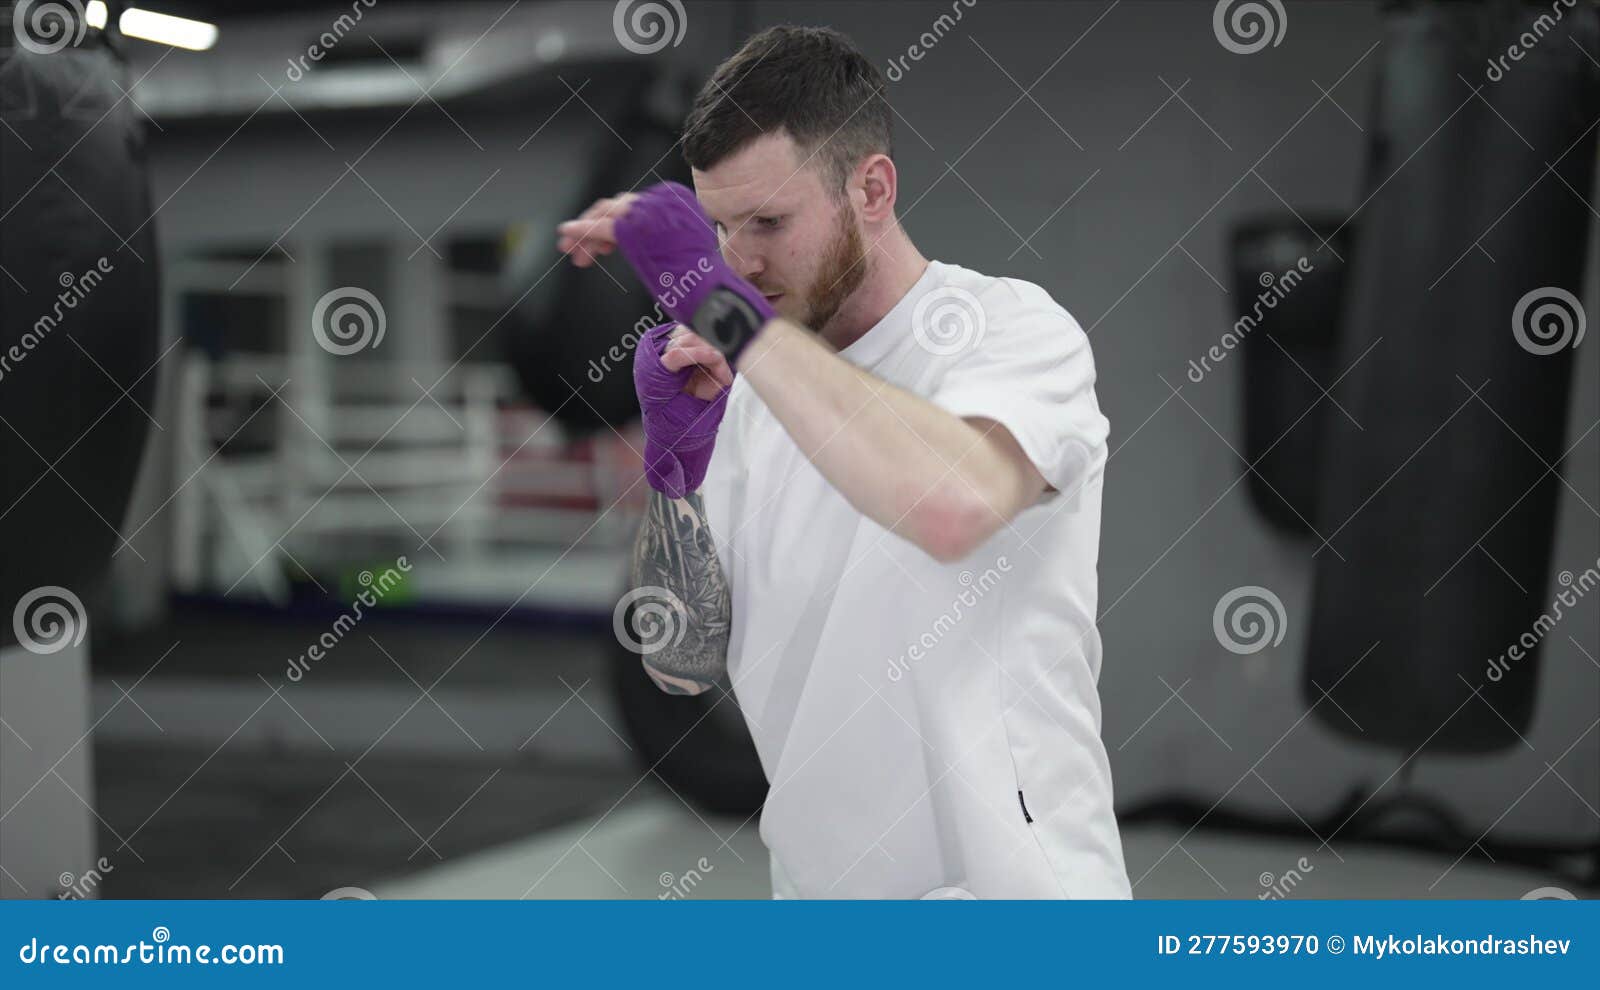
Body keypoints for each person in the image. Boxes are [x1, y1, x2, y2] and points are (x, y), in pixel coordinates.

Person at [555, 24, 1130, 899]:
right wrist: (675, 475)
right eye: (717, 229)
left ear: (871, 187)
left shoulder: (1011, 333)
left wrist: (736, 324)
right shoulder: (750, 383)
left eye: (770, 222)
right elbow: (681, 659)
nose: (739, 260)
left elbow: (950, 506)